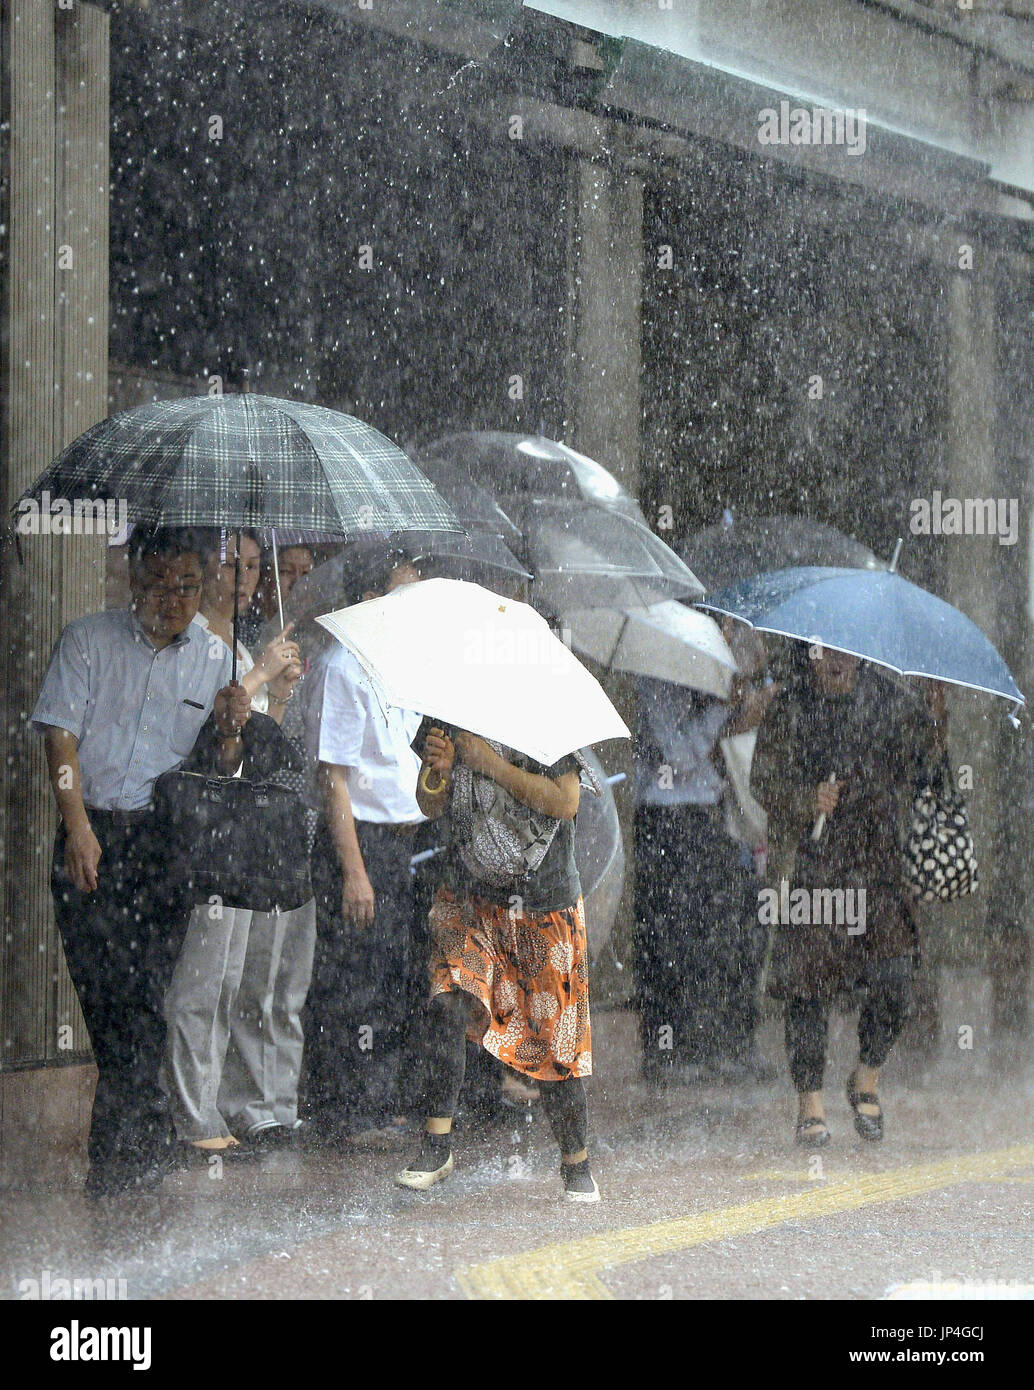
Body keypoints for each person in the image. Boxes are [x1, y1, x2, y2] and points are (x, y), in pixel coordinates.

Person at [32, 527, 250, 1196]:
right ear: (134, 579)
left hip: (163, 845)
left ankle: (124, 1152)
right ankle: (139, 1138)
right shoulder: (87, 641)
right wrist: (77, 828)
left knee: (148, 995)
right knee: (106, 996)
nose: (173, 599)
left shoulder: (218, 660)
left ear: (205, 586)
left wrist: (231, 731)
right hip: (92, 832)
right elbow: (60, 738)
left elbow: (223, 770)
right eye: (159, 583)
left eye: (188, 586)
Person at [751, 646, 948, 1146]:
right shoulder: (790, 705)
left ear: (861, 657)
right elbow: (762, 780)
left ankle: (866, 1075)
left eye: (846, 654)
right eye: (826, 652)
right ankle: (810, 1103)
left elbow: (923, 770)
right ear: (811, 654)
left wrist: (935, 721)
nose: (836, 661)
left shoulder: (890, 699)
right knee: (807, 987)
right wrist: (806, 799)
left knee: (897, 974)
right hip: (813, 864)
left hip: (876, 864)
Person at [396, 725, 599, 1203]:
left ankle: (576, 1162)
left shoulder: (542, 709)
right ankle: (437, 1145)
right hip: (470, 895)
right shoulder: (450, 709)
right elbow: (429, 804)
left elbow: (566, 801)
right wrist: (441, 772)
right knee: (447, 999)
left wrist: (489, 764)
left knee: (553, 1046)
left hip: (541, 904)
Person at [161, 529, 312, 1158]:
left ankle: (232, 1103)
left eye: (252, 566)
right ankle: (190, 1113)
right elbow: (209, 729)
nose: (243, 578)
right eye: (231, 565)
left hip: (240, 836)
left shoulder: (242, 645)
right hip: (197, 831)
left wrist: (278, 694)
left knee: (237, 980)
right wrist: (258, 676)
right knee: (200, 983)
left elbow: (254, 747)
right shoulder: (198, 642)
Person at [301, 552, 425, 1144]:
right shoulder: (340, 667)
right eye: (403, 595)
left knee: (394, 971)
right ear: (371, 600)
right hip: (359, 844)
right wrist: (354, 871)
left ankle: (381, 1098)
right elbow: (334, 778)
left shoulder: (403, 665)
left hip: (405, 844)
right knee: (353, 978)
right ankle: (343, 1108)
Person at [633, 671, 775, 1085]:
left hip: (713, 812)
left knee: (723, 937)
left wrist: (747, 704)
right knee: (669, 941)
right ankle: (667, 1052)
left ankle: (724, 1045)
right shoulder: (660, 676)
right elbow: (677, 757)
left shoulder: (722, 667)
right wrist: (722, 708)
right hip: (667, 815)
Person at [238, 542, 314, 649]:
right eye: (286, 571)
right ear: (266, 579)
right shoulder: (245, 631)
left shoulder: (314, 634)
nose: (298, 583)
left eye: (305, 573)